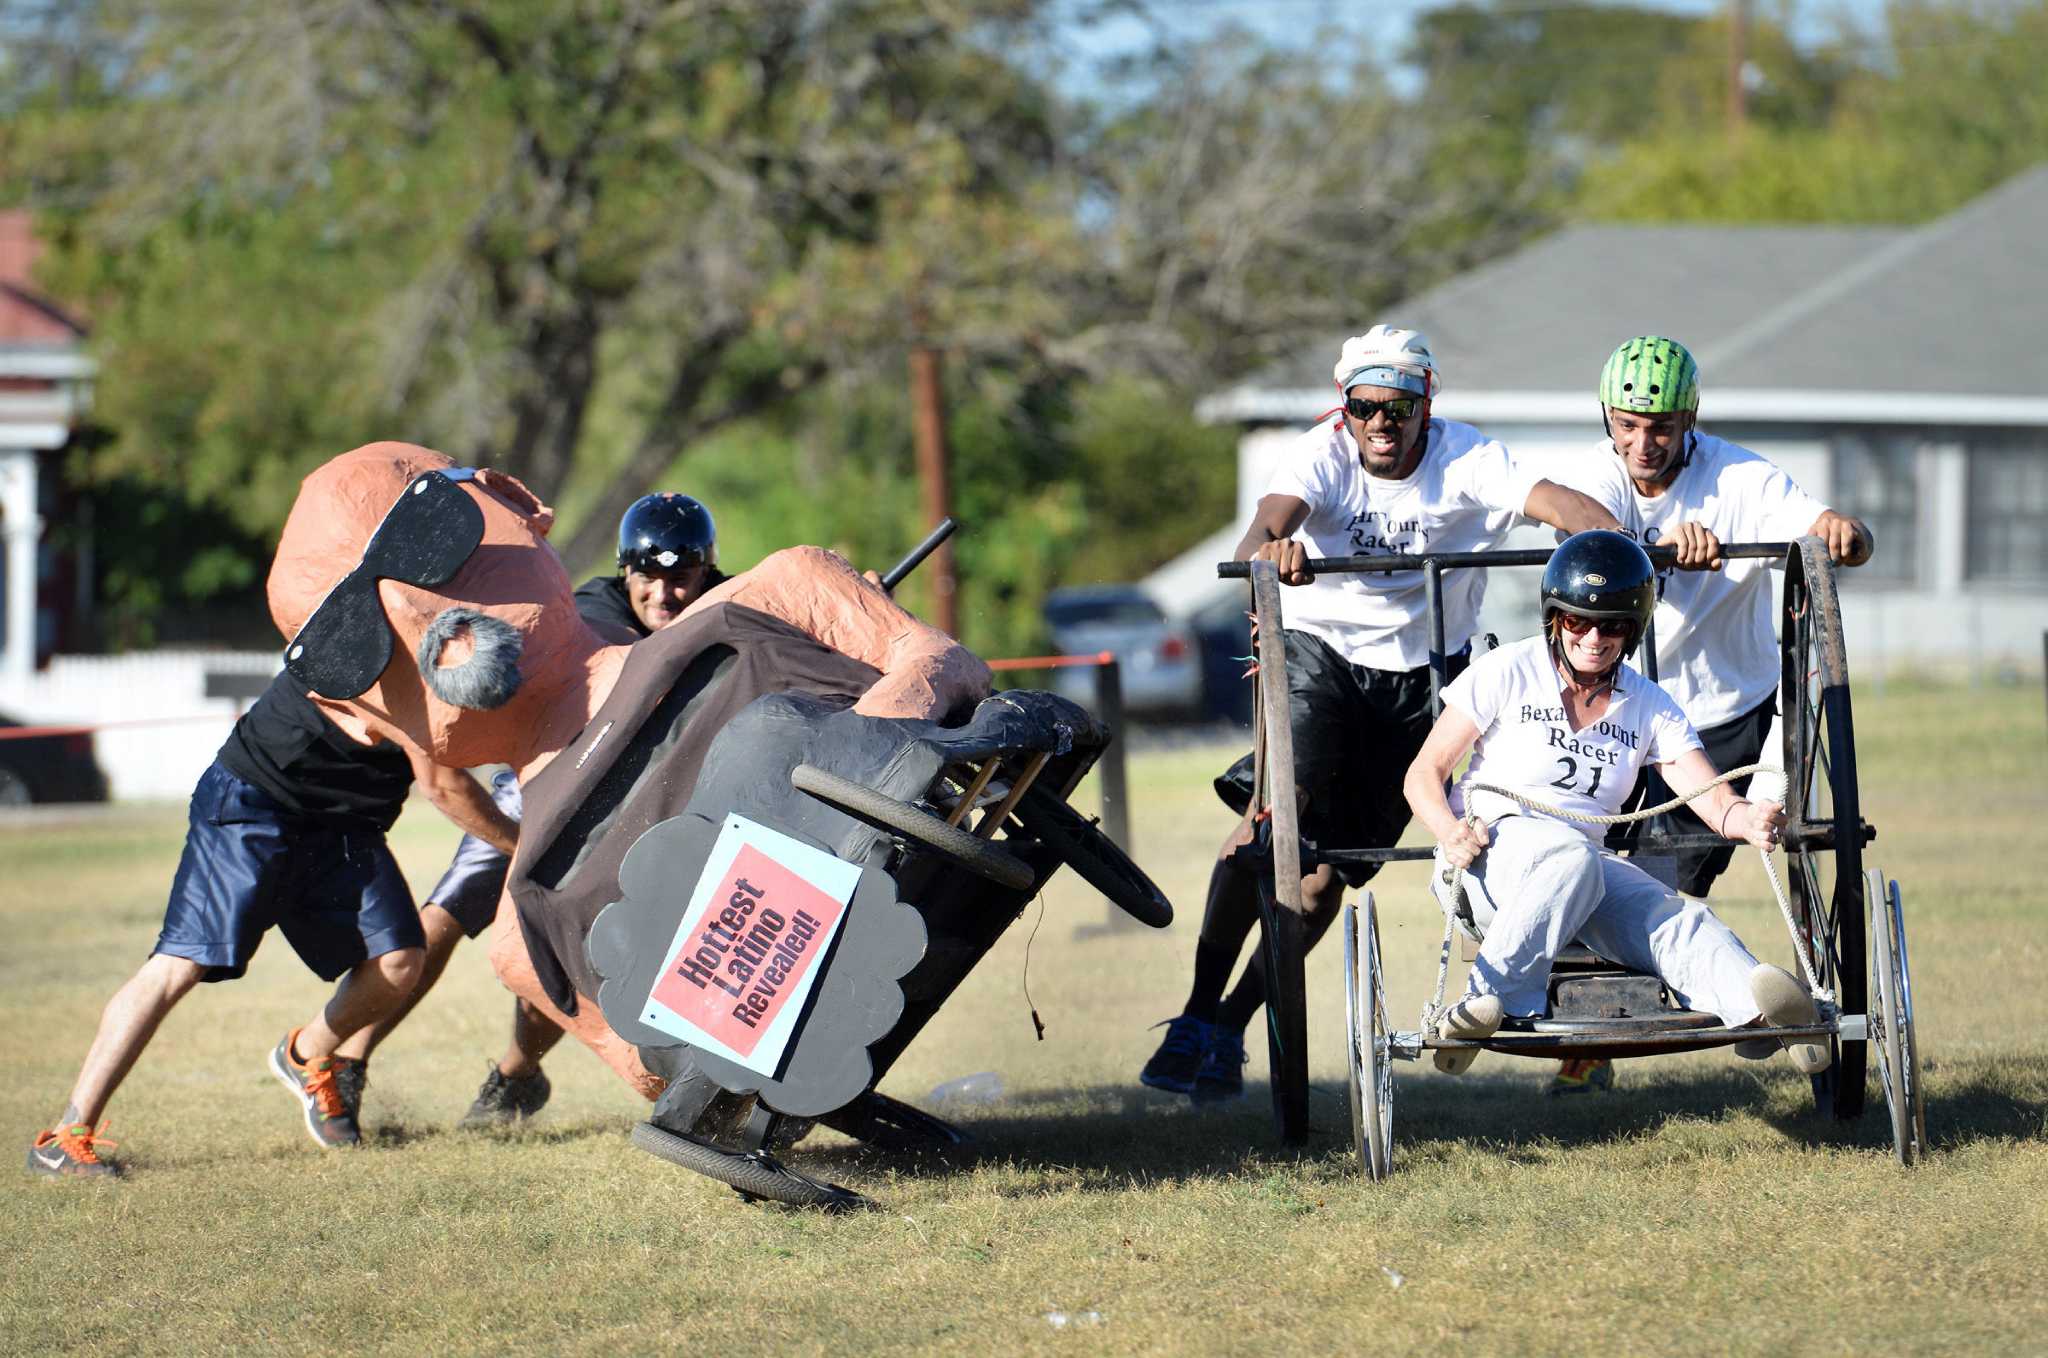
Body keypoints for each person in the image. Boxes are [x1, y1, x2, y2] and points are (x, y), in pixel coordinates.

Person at [1138, 325, 1621, 1102]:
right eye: (1363, 407)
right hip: (1321, 657)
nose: (1380, 424)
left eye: (1397, 408)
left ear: (1426, 404)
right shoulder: (1321, 454)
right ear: (1345, 408)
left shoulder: (1466, 457)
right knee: (1273, 827)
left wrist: (1608, 539)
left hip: (1425, 679)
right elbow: (1264, 528)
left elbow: (1558, 503)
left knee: (1323, 880)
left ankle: (1230, 1025)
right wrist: (1271, 552)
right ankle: (1195, 1014)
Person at [1544, 336, 1875, 1094]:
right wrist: (1654, 548)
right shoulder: (1593, 477)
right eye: (1628, 425)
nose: (1643, 443)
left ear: (1689, 419)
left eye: (1661, 426)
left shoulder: (1741, 477)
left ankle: (1651, 1015)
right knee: (1577, 862)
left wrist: (1841, 533)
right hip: (1619, 706)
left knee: (1665, 878)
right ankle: (1592, 1024)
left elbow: (1831, 532)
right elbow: (1586, 537)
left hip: (1721, 715)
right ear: (1607, 418)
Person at [26, 670, 518, 1178]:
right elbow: (443, 786)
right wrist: (523, 848)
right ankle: (65, 1138)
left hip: (344, 822)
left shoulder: (472, 661)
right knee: (179, 965)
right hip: (257, 797)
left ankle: (307, 1054)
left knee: (399, 961)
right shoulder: (405, 655)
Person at [1401, 530, 1829, 1078]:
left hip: (1583, 871)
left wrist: (1750, 819)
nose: (1593, 637)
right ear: (1554, 619)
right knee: (1572, 859)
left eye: (1612, 625)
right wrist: (1449, 830)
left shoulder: (1650, 705)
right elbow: (1423, 774)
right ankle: (1482, 1002)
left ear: (1634, 628)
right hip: (1489, 858)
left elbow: (1715, 801)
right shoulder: (1508, 669)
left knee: (1677, 918)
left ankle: (1766, 1015)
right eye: (1577, 621)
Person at [360, 492, 729, 1126]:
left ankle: (515, 1075)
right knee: (445, 914)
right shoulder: (595, 608)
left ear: (706, 572)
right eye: (648, 576)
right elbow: (623, 656)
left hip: (635, 806)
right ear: (625, 571)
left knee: (557, 945)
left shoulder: (728, 602)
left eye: (681, 577)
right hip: (542, 785)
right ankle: (349, 1057)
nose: (664, 594)